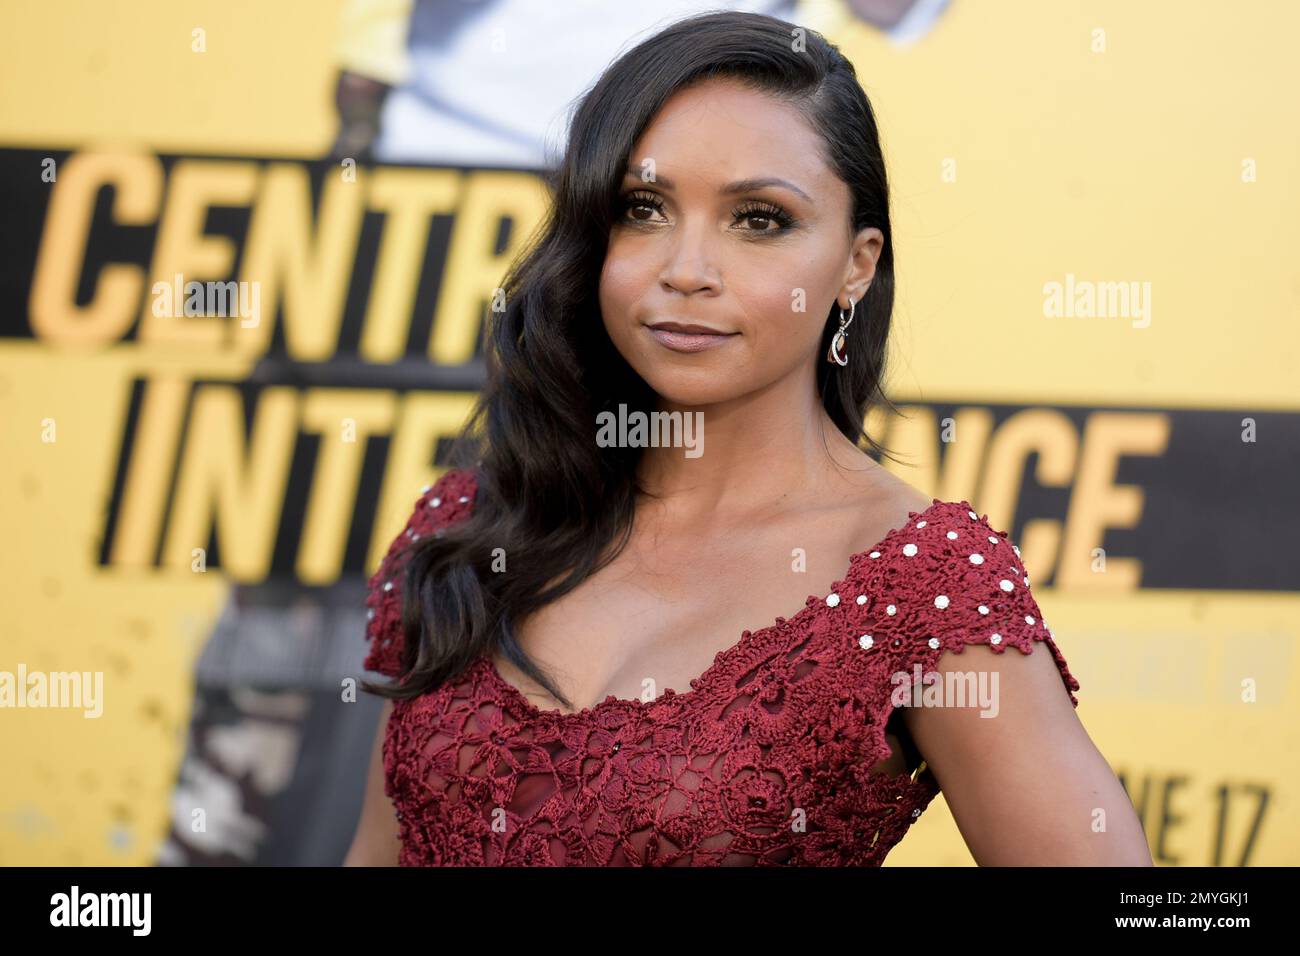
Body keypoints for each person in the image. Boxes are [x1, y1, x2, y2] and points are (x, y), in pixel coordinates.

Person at [346, 10, 1152, 866]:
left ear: (856, 264)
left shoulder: (915, 590)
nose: (686, 270)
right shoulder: (470, 527)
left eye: (760, 219)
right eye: (643, 209)